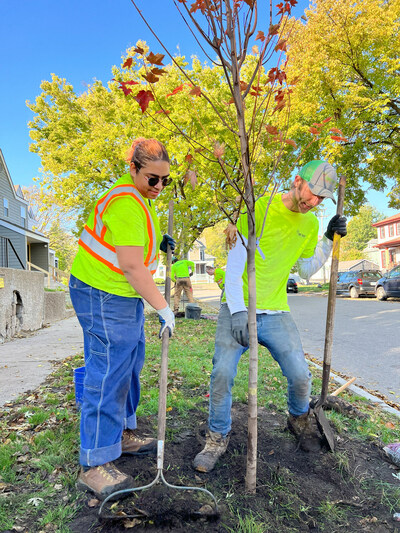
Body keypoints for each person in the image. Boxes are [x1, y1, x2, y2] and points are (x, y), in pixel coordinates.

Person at [193, 160, 347, 473]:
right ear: (296, 181)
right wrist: (237, 312)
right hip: (237, 307)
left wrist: (329, 240)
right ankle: (216, 437)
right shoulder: (258, 210)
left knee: (300, 374)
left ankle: (298, 419)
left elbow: (304, 270)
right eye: (313, 193)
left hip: (276, 311)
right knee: (222, 373)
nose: (314, 201)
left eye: (322, 198)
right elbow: (235, 269)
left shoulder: (310, 224)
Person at [69, 138, 176, 499]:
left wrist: (159, 244)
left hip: (122, 294)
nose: (159, 187)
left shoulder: (141, 198)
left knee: (129, 363)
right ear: (133, 169)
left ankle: (122, 434)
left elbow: (134, 248)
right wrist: (163, 306)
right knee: (108, 369)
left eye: (165, 180)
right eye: (152, 179)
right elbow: (130, 265)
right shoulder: (127, 202)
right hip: (102, 292)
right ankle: (94, 462)